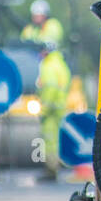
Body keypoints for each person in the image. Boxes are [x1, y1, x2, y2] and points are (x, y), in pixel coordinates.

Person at [36, 43, 72, 180]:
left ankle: (50, 169)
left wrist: (44, 109)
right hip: (59, 107)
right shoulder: (61, 65)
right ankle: (54, 167)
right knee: (55, 140)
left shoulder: (48, 65)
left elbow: (50, 88)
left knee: (49, 139)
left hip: (50, 110)